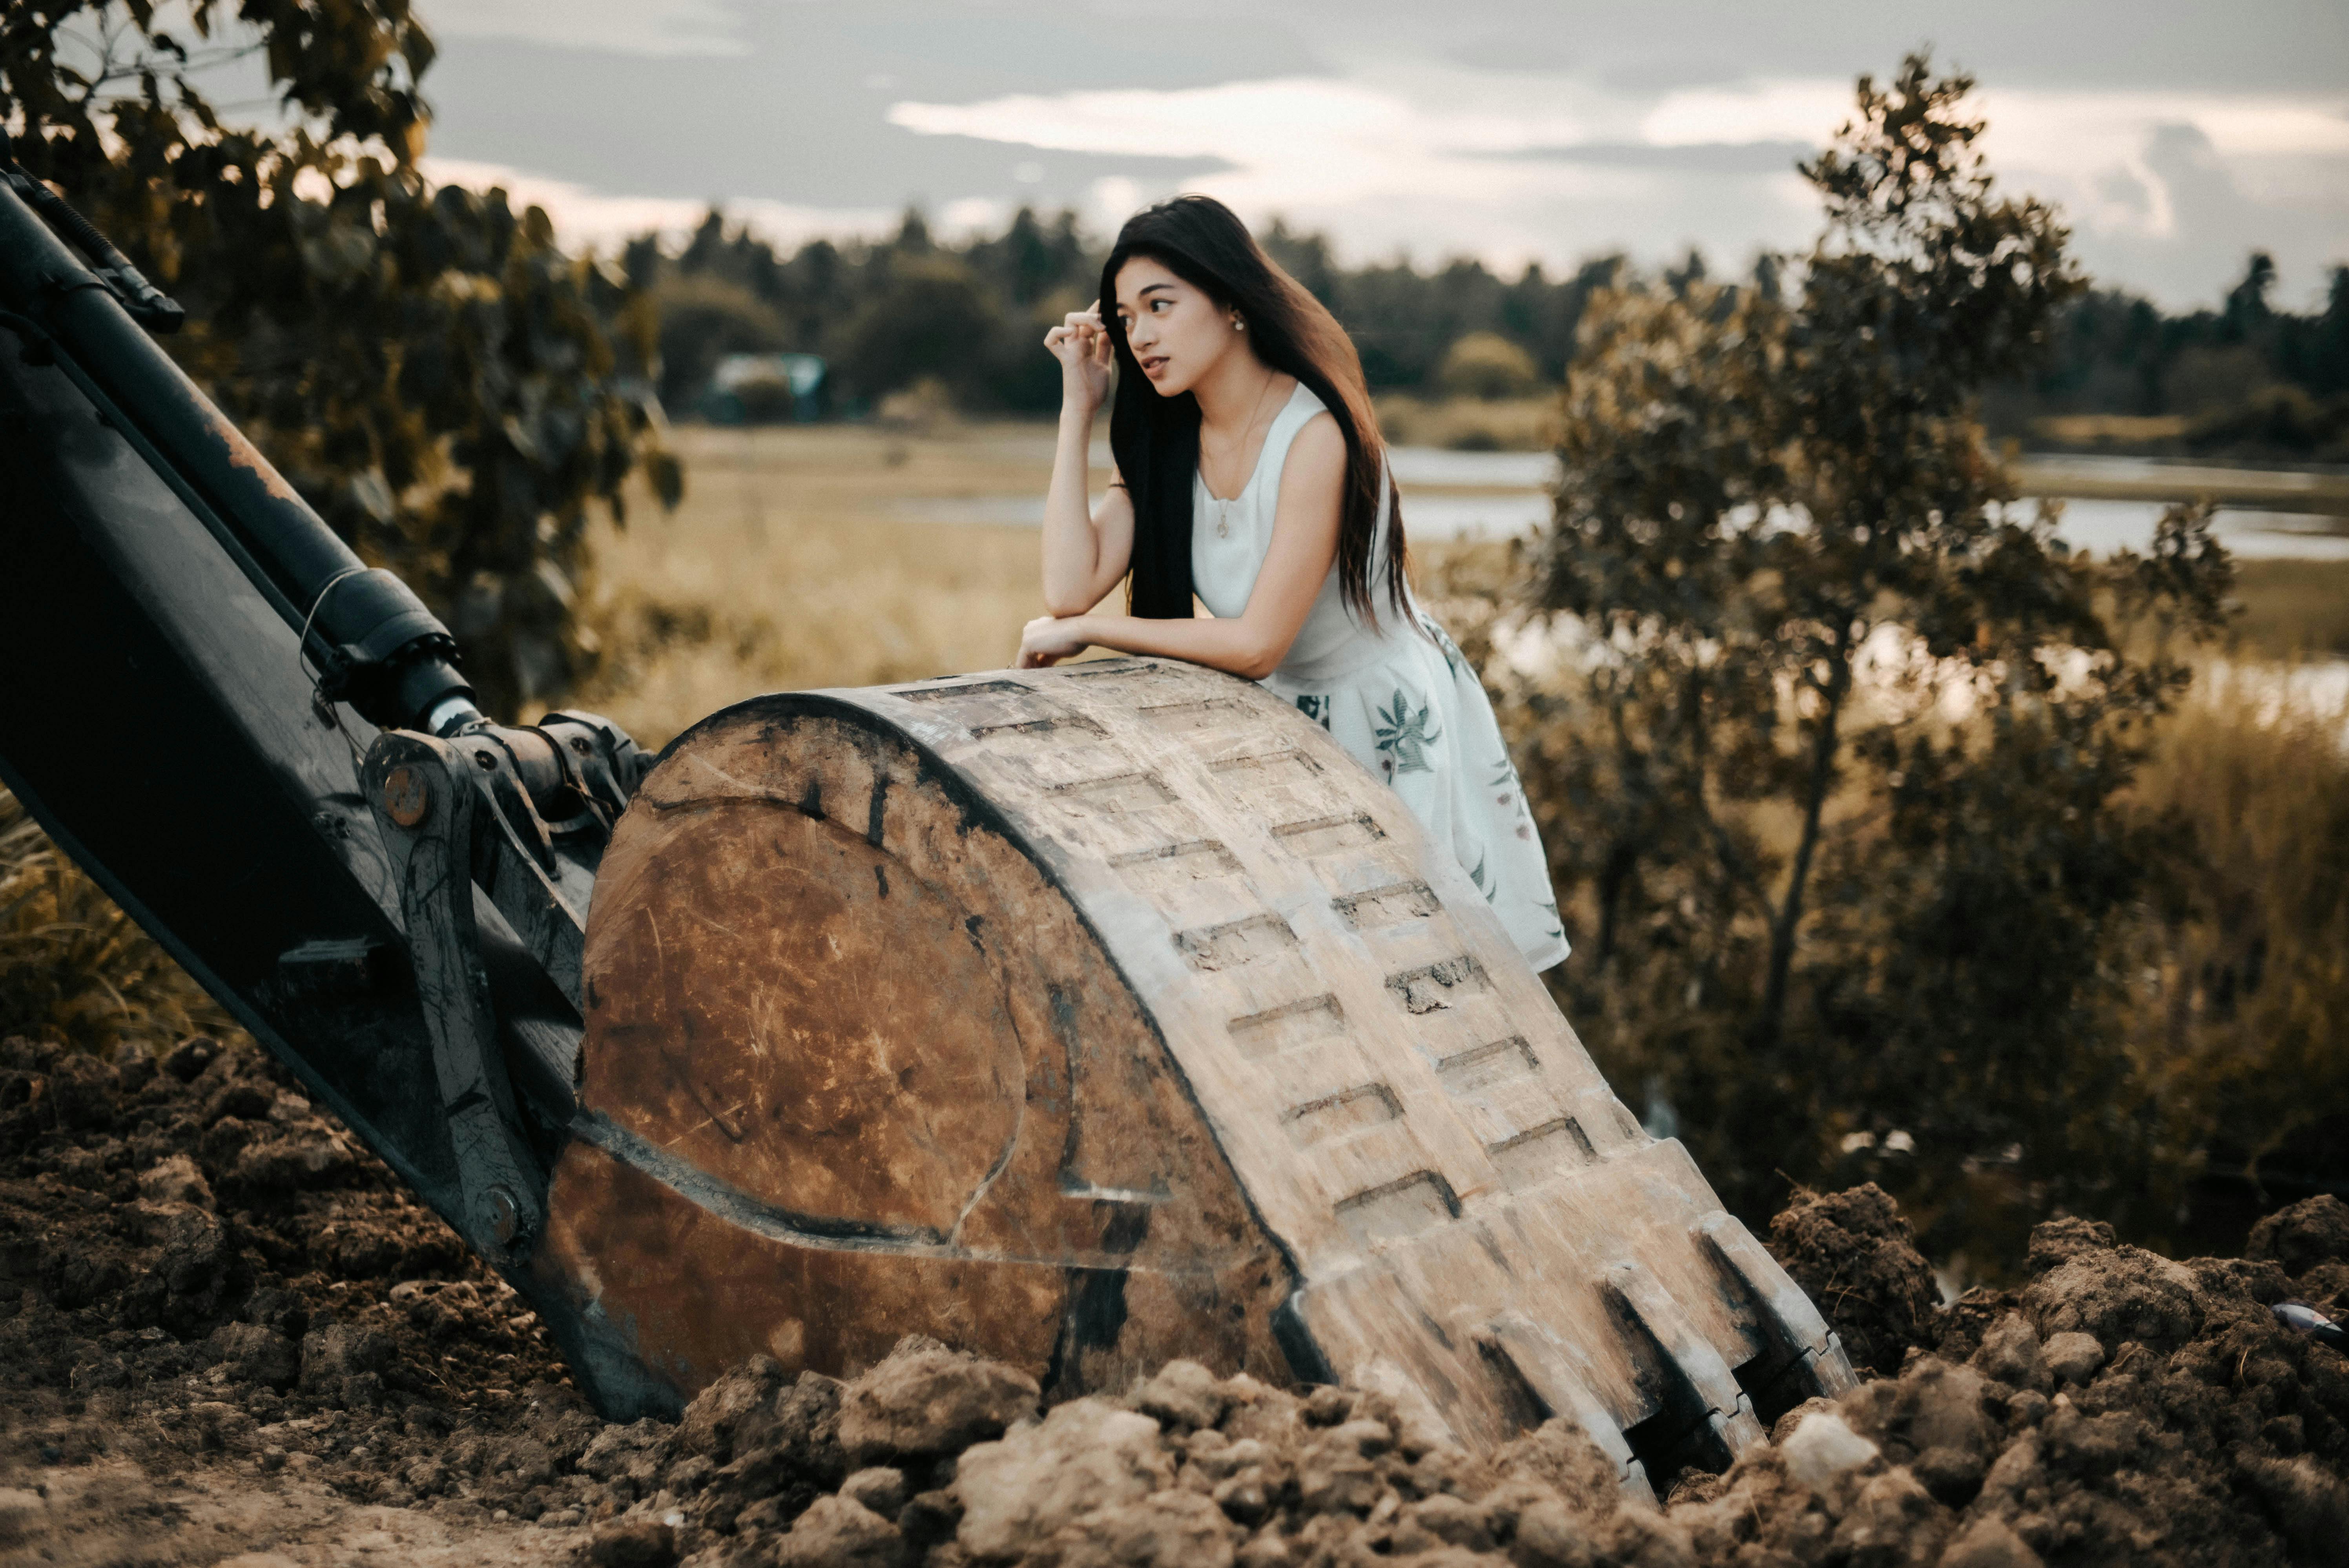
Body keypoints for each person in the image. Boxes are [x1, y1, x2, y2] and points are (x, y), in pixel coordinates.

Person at [1019, 195, 1566, 972]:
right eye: (1124, 315)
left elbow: (1254, 642)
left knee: (1419, 981)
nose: (1139, 335)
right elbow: (1067, 587)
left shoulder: (1313, 435)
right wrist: (1078, 406)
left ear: (1232, 301)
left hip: (1382, 717)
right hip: (1286, 717)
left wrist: (1092, 634)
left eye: (1160, 306)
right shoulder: (1168, 438)